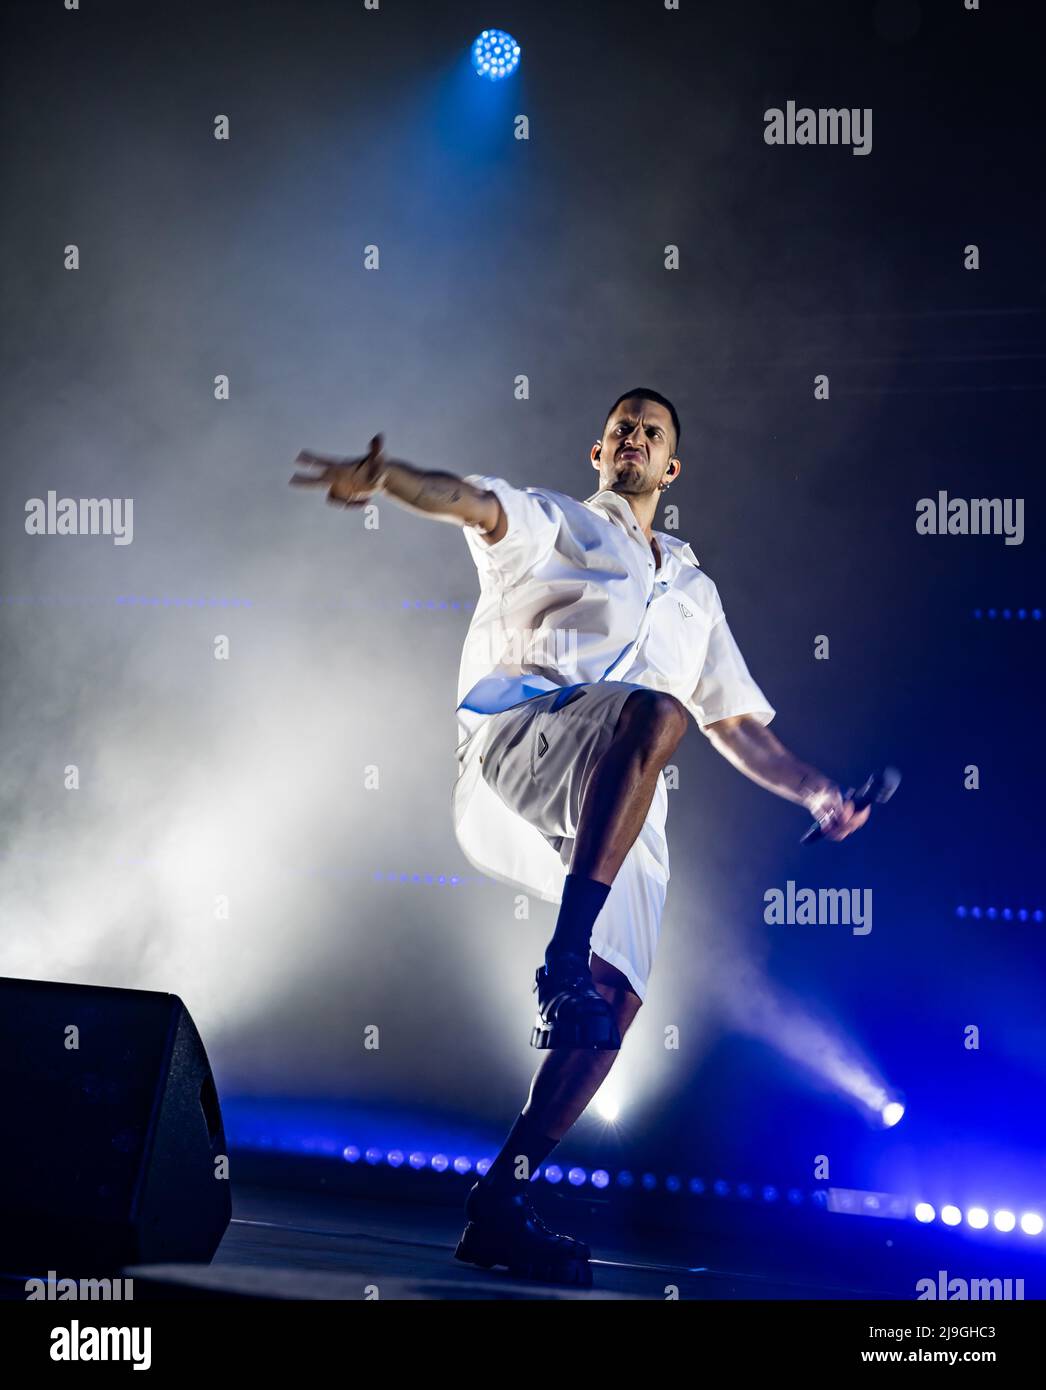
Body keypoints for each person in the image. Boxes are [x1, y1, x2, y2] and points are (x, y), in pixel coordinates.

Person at [290, 388, 870, 1286]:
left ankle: (502, 1200)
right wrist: (389, 479)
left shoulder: (694, 592)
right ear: (598, 453)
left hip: (622, 801)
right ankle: (563, 956)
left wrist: (818, 794)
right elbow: (469, 502)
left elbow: (735, 723)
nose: (633, 436)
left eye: (652, 430)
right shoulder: (560, 526)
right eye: (620, 428)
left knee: (616, 1011)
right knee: (654, 716)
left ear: (671, 468)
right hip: (524, 736)